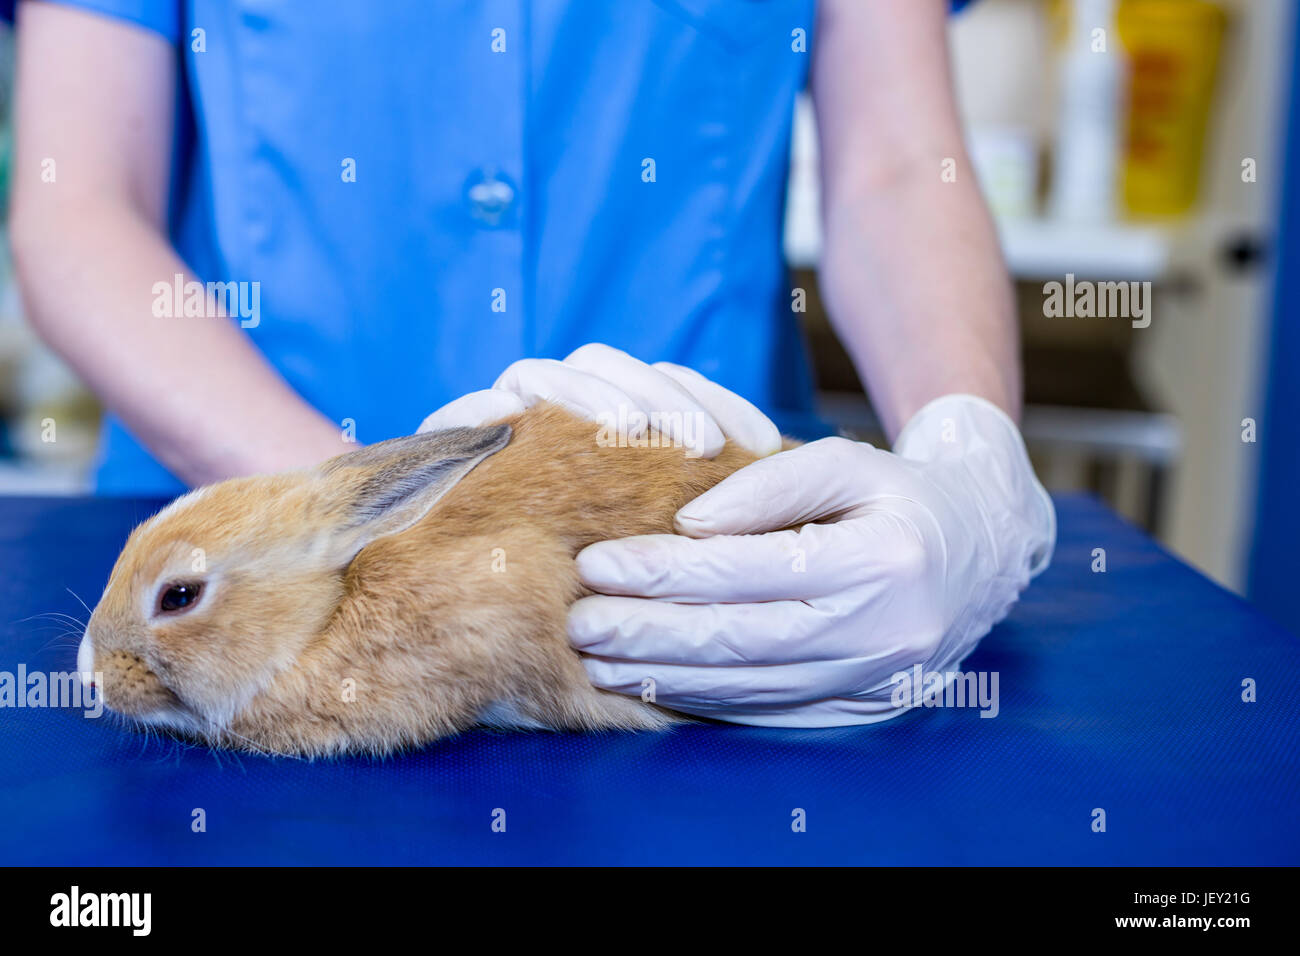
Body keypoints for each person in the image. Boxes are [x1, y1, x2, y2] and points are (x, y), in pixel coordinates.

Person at [9, 0, 1054, 726]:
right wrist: (322, 534)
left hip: (699, 554)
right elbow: (80, 199)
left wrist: (968, 460)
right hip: (225, 541)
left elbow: (900, 164)